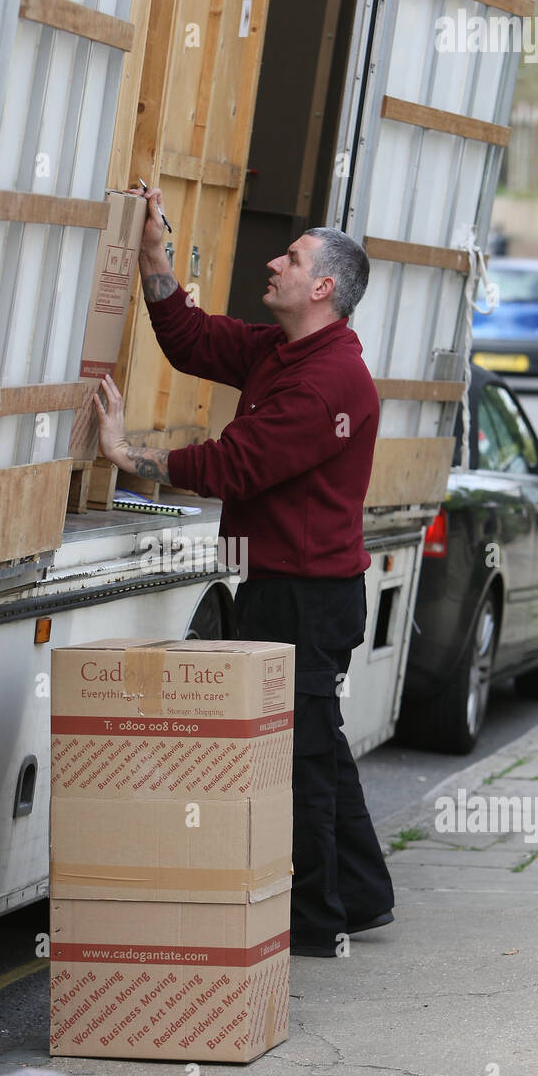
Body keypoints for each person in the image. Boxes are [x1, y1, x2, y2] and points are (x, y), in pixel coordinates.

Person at [93, 187, 394, 957]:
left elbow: (239, 465)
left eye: (290, 258)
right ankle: (360, 896)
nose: (274, 260)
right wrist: (155, 258)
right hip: (279, 581)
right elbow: (194, 341)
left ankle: (317, 925)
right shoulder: (278, 349)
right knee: (316, 743)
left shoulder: (331, 382)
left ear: (322, 287)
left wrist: (131, 458)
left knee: (298, 762)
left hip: (307, 594)